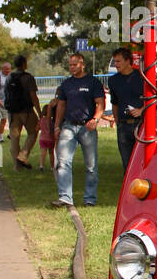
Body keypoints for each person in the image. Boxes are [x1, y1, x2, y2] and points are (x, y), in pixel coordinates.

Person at [52, 53, 106, 208]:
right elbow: (61, 106)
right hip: (69, 126)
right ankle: (65, 197)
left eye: (74, 64)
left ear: (83, 64)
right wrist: (57, 126)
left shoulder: (93, 83)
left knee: (91, 165)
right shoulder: (66, 84)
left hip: (87, 128)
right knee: (63, 161)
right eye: (70, 65)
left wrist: (95, 119)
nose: (72, 67)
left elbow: (100, 103)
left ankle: (90, 198)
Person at [107, 47, 145, 170]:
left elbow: (153, 99)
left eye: (118, 61)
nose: (116, 65)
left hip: (141, 124)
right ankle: (129, 187)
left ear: (128, 61)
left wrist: (141, 110)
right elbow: (115, 103)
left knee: (143, 160)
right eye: (114, 62)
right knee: (127, 163)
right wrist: (117, 122)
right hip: (123, 126)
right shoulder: (113, 80)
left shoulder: (142, 77)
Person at [5, 54, 41, 169]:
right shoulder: (28, 78)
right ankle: (23, 155)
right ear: (24, 64)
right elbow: (33, 96)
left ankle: (17, 166)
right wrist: (40, 113)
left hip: (12, 112)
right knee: (33, 132)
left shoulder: (9, 77)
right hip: (27, 111)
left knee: (15, 137)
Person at [37, 101, 57, 171]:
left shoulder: (41, 120)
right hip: (51, 139)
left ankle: (41, 165)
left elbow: (37, 128)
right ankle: (52, 166)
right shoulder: (52, 121)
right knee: (51, 153)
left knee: (43, 153)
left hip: (42, 139)